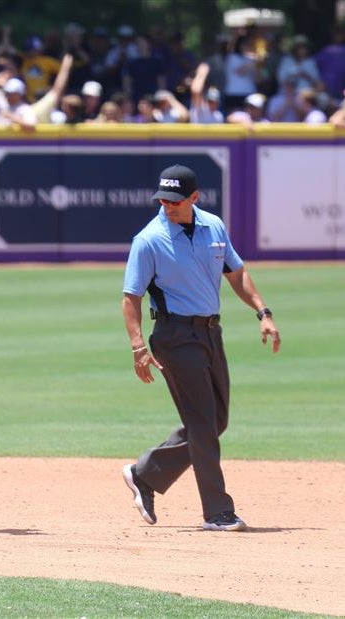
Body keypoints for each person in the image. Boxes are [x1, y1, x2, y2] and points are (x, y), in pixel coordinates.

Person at [120, 164, 281, 533]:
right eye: (162, 199)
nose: (167, 205)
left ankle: (144, 473)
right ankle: (217, 511)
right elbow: (131, 297)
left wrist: (263, 312)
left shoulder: (213, 226)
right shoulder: (149, 239)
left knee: (215, 421)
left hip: (211, 334)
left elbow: (236, 272)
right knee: (202, 424)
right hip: (174, 337)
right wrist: (138, 346)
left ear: (194, 197)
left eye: (175, 200)